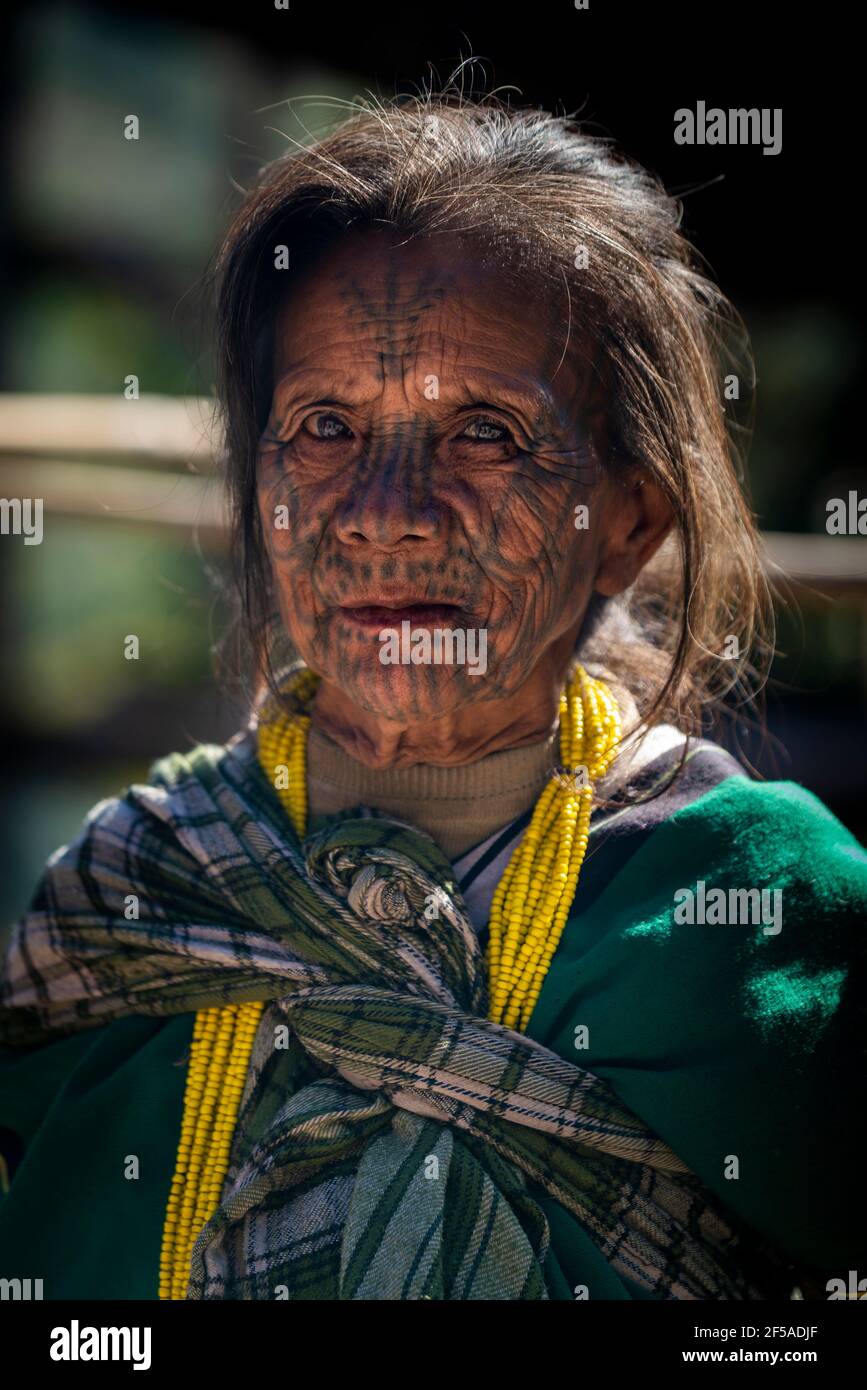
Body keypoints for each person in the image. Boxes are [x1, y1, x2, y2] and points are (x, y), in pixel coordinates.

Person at [1, 92, 864, 1302]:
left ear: (627, 521)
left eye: (487, 435)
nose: (385, 510)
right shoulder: (126, 900)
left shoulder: (756, 911)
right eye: (326, 426)